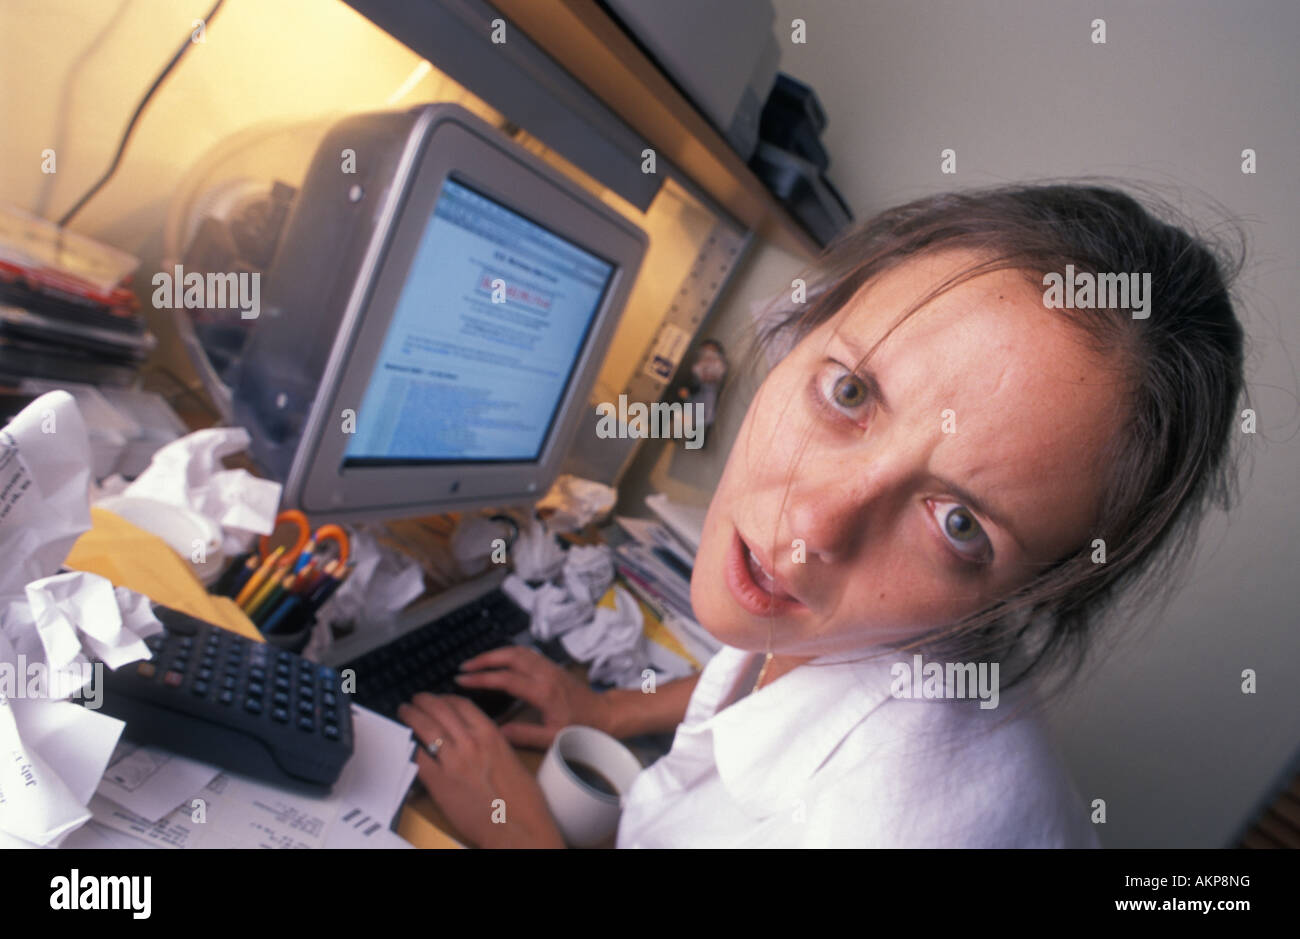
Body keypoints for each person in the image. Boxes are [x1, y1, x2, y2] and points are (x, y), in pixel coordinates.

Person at [397, 182, 1246, 848]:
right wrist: (616, 711)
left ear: (1030, 593)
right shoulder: (862, 618)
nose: (810, 527)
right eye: (850, 392)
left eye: (959, 524)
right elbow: (807, 673)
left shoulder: (892, 829)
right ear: (805, 326)